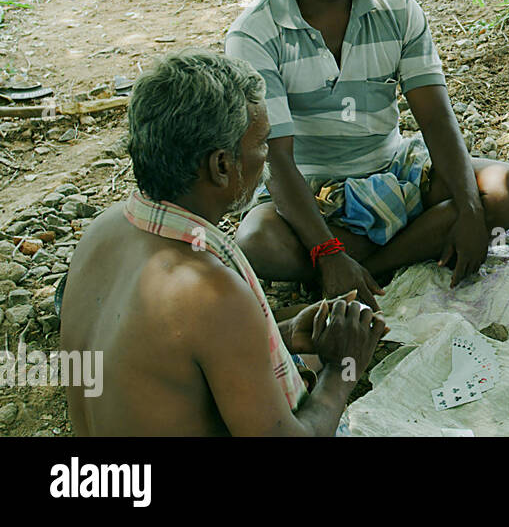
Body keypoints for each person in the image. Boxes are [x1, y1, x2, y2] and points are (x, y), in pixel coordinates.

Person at [226, 0, 509, 309]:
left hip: (393, 171)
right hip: (310, 191)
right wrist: (327, 249)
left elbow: (435, 120)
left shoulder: (398, 10)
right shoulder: (255, 34)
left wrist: (468, 210)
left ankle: (366, 269)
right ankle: (390, 249)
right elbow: (278, 162)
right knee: (257, 241)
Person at [60, 51, 386, 436]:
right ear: (221, 166)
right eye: (262, 144)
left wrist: (282, 337)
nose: (267, 157)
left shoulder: (105, 229)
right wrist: (342, 368)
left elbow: (173, 363)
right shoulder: (209, 292)